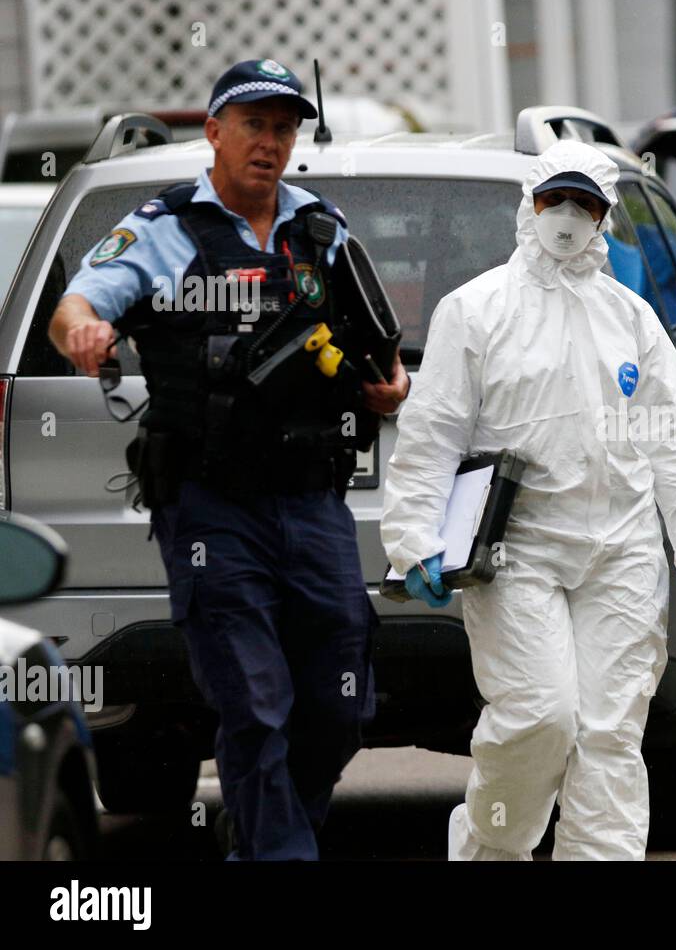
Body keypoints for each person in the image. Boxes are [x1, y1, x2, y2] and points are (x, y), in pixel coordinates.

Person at [48, 59, 410, 859]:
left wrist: (392, 386)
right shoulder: (164, 227)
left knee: (339, 703)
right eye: (253, 125)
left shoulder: (320, 227)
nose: (270, 143)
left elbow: (379, 350)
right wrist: (80, 330)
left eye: (284, 128)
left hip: (315, 504)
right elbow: (80, 302)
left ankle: (260, 838)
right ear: (214, 131)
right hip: (212, 509)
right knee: (254, 704)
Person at [381, 139, 676, 860]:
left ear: (605, 217)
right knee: (540, 718)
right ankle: (487, 847)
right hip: (520, 552)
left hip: (623, 553)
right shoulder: (475, 311)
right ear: (530, 205)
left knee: (609, 736)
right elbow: (432, 433)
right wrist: (415, 538)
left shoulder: (631, 319)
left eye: (585, 204)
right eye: (555, 201)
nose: (568, 217)